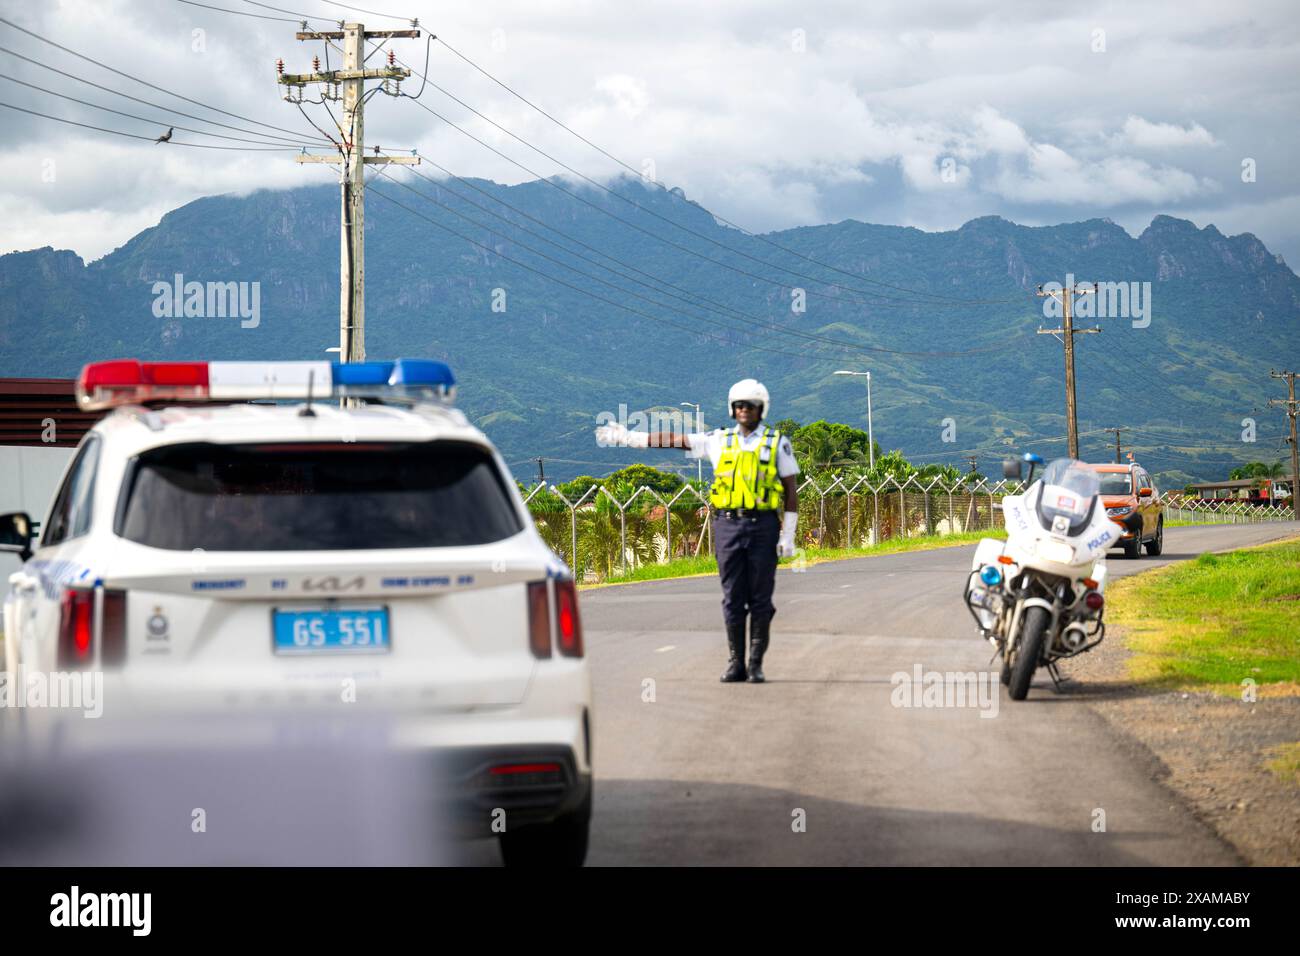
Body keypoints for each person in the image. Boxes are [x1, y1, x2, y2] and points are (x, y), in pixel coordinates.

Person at [595, 379, 799, 682]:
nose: (745, 410)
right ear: (733, 409)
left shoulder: (777, 443)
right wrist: (632, 438)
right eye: (739, 405)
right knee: (732, 596)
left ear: (761, 409)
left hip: (763, 526)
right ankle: (735, 662)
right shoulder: (719, 439)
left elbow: (790, 491)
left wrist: (788, 536)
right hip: (728, 524)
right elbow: (678, 439)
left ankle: (755, 663)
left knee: (760, 598)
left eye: (751, 405)